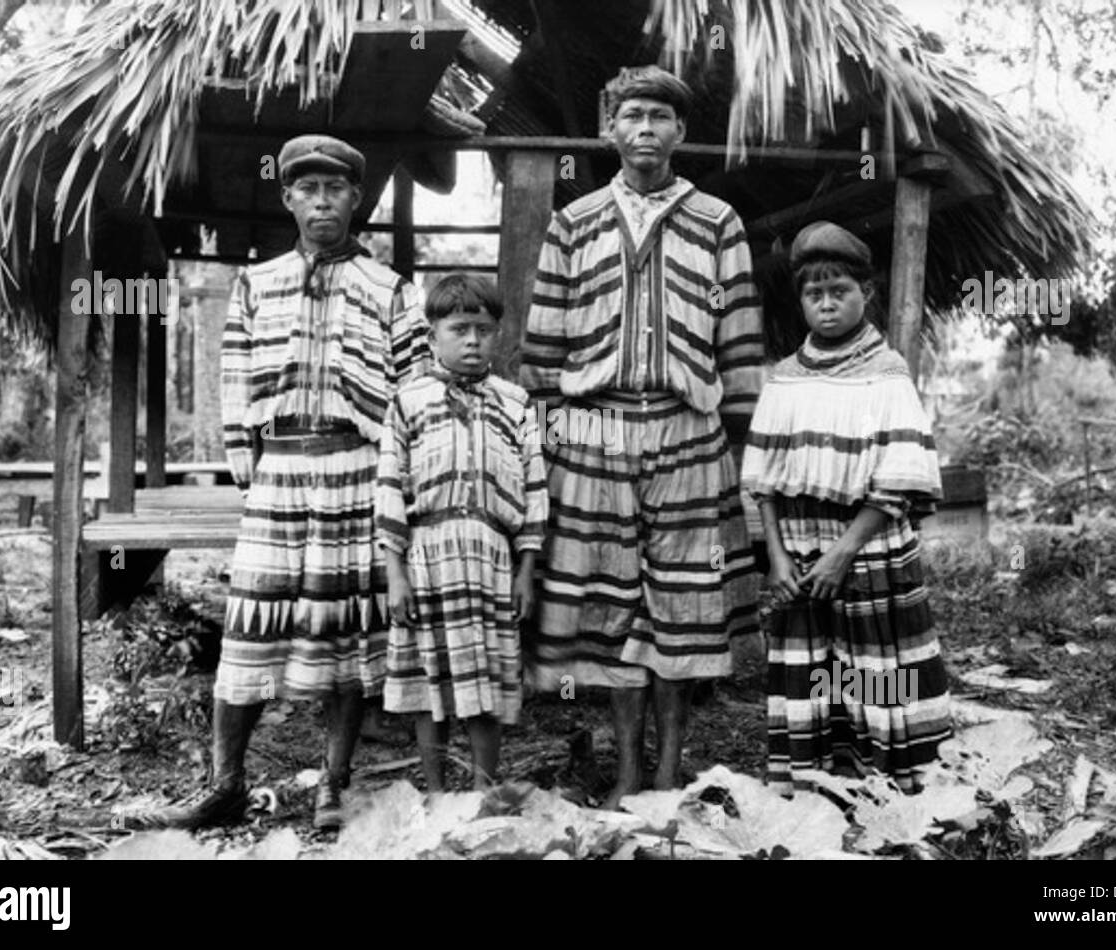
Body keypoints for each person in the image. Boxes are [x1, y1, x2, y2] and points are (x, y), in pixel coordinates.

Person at [155, 134, 431, 830]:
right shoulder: (257, 281)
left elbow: (417, 393)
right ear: (288, 199)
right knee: (251, 622)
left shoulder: (391, 289)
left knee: (343, 632)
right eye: (307, 190)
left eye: (334, 189)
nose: (321, 201)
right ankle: (225, 783)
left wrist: (400, 482)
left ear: (355, 197)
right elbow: (235, 374)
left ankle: (334, 784)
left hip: (358, 470)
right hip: (280, 470)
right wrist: (245, 461)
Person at [520, 65, 765, 808]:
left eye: (661, 116)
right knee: (609, 606)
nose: (647, 129)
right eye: (633, 115)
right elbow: (546, 339)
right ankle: (627, 769)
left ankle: (669, 769)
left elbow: (740, 339)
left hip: (687, 429)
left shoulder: (718, 221)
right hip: (593, 429)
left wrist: (736, 438)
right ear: (611, 129)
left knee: (683, 606)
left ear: (680, 132)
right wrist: (545, 432)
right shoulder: (575, 221)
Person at [741, 220, 953, 796]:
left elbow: (898, 480)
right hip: (801, 552)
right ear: (801, 300)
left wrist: (843, 552)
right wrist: (779, 559)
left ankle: (886, 785)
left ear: (867, 294)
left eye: (841, 292)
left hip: (865, 550)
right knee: (814, 668)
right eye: (815, 294)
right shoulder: (784, 379)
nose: (827, 305)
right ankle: (817, 788)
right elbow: (763, 482)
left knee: (874, 669)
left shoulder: (885, 376)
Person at [376, 274, 548, 791]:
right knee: (431, 681)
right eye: (459, 329)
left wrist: (526, 568)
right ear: (432, 337)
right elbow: (388, 486)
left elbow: (535, 487)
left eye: (483, 330)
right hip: (426, 554)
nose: (472, 341)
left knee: (484, 682)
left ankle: (483, 792)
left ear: (498, 335)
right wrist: (395, 573)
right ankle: (433, 791)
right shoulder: (406, 402)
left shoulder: (515, 403)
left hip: (491, 558)